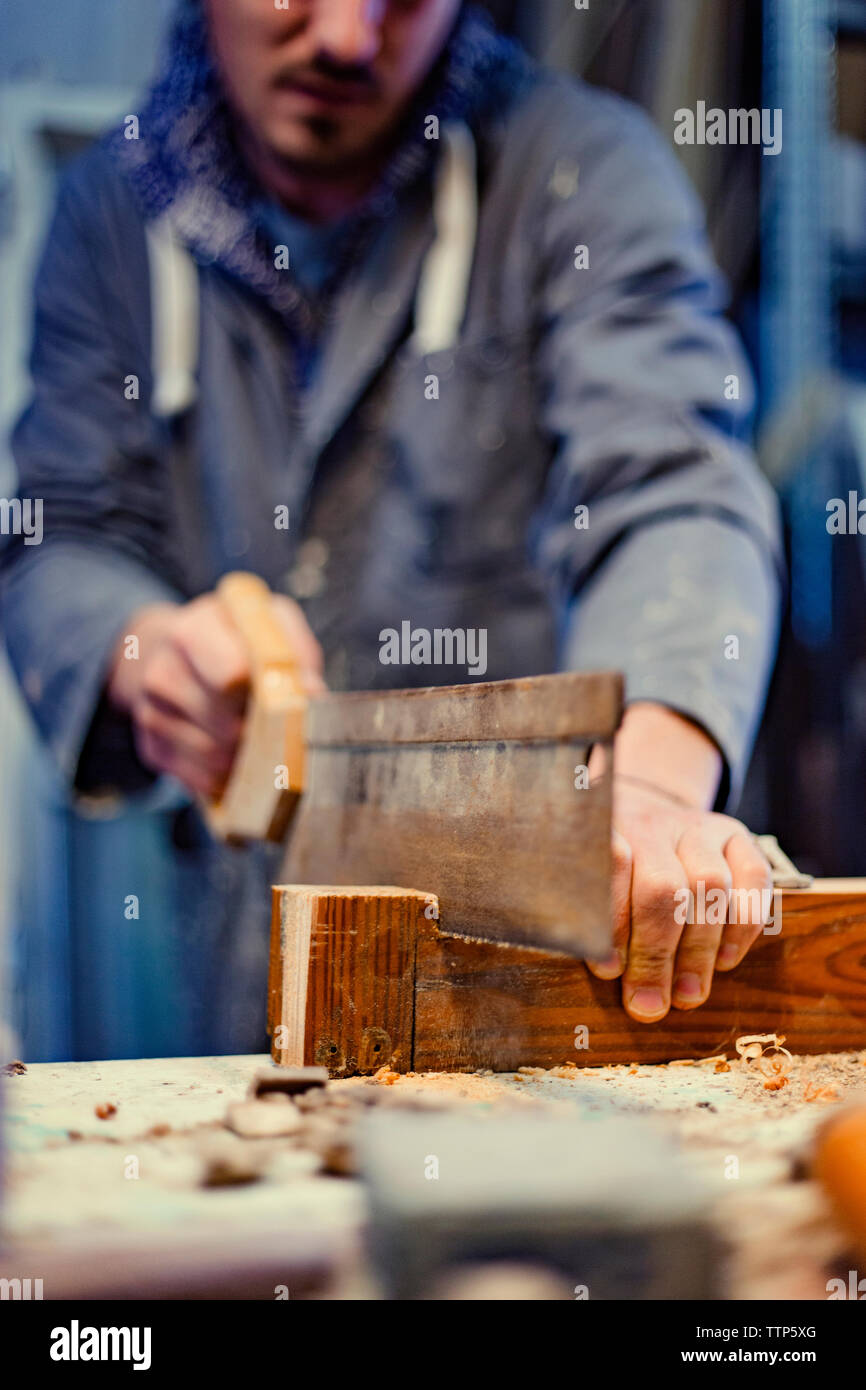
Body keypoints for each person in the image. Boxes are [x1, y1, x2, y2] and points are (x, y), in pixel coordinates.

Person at [1, 0, 783, 1053]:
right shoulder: (108, 211)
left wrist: (642, 791)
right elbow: (62, 533)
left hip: (547, 964)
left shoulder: (575, 169)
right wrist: (144, 653)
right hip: (249, 938)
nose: (345, 38)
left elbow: (673, 486)